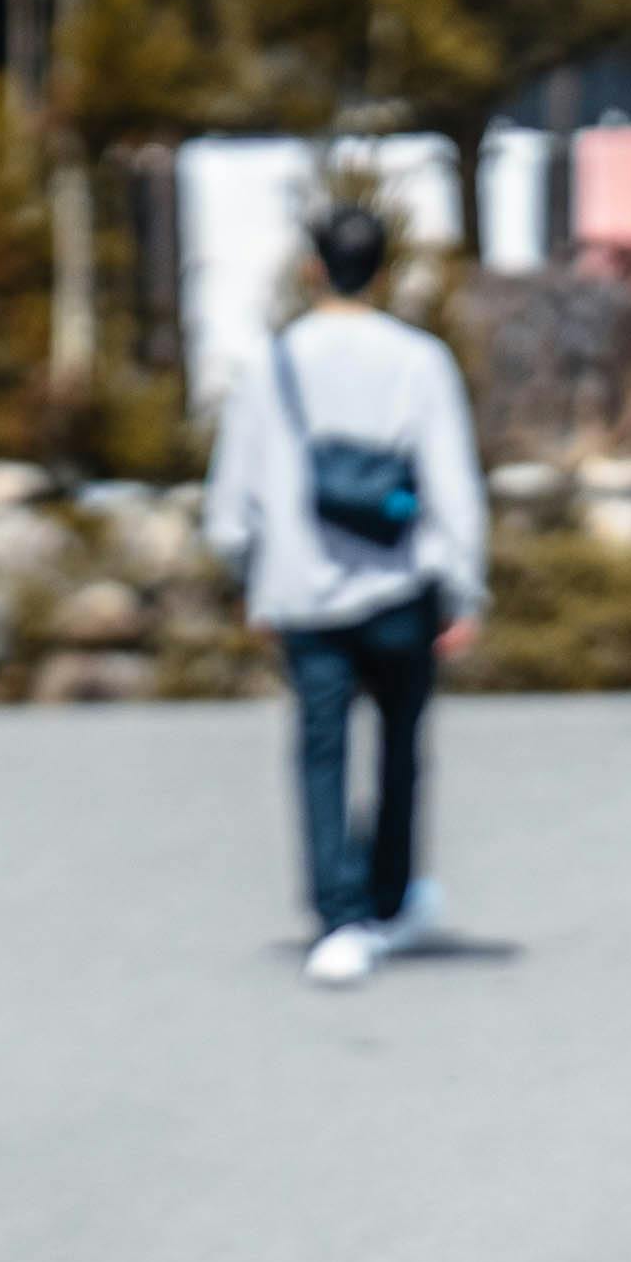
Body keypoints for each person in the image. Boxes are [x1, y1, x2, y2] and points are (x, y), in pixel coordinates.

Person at [205, 198, 486, 988]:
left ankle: (339, 916)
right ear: (383, 271)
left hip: (302, 584)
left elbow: (237, 487)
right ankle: (392, 898)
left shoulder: (272, 363)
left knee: (320, 750)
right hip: (401, 583)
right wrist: (463, 587)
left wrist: (244, 571)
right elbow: (451, 481)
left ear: (312, 269)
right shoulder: (419, 358)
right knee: (402, 747)